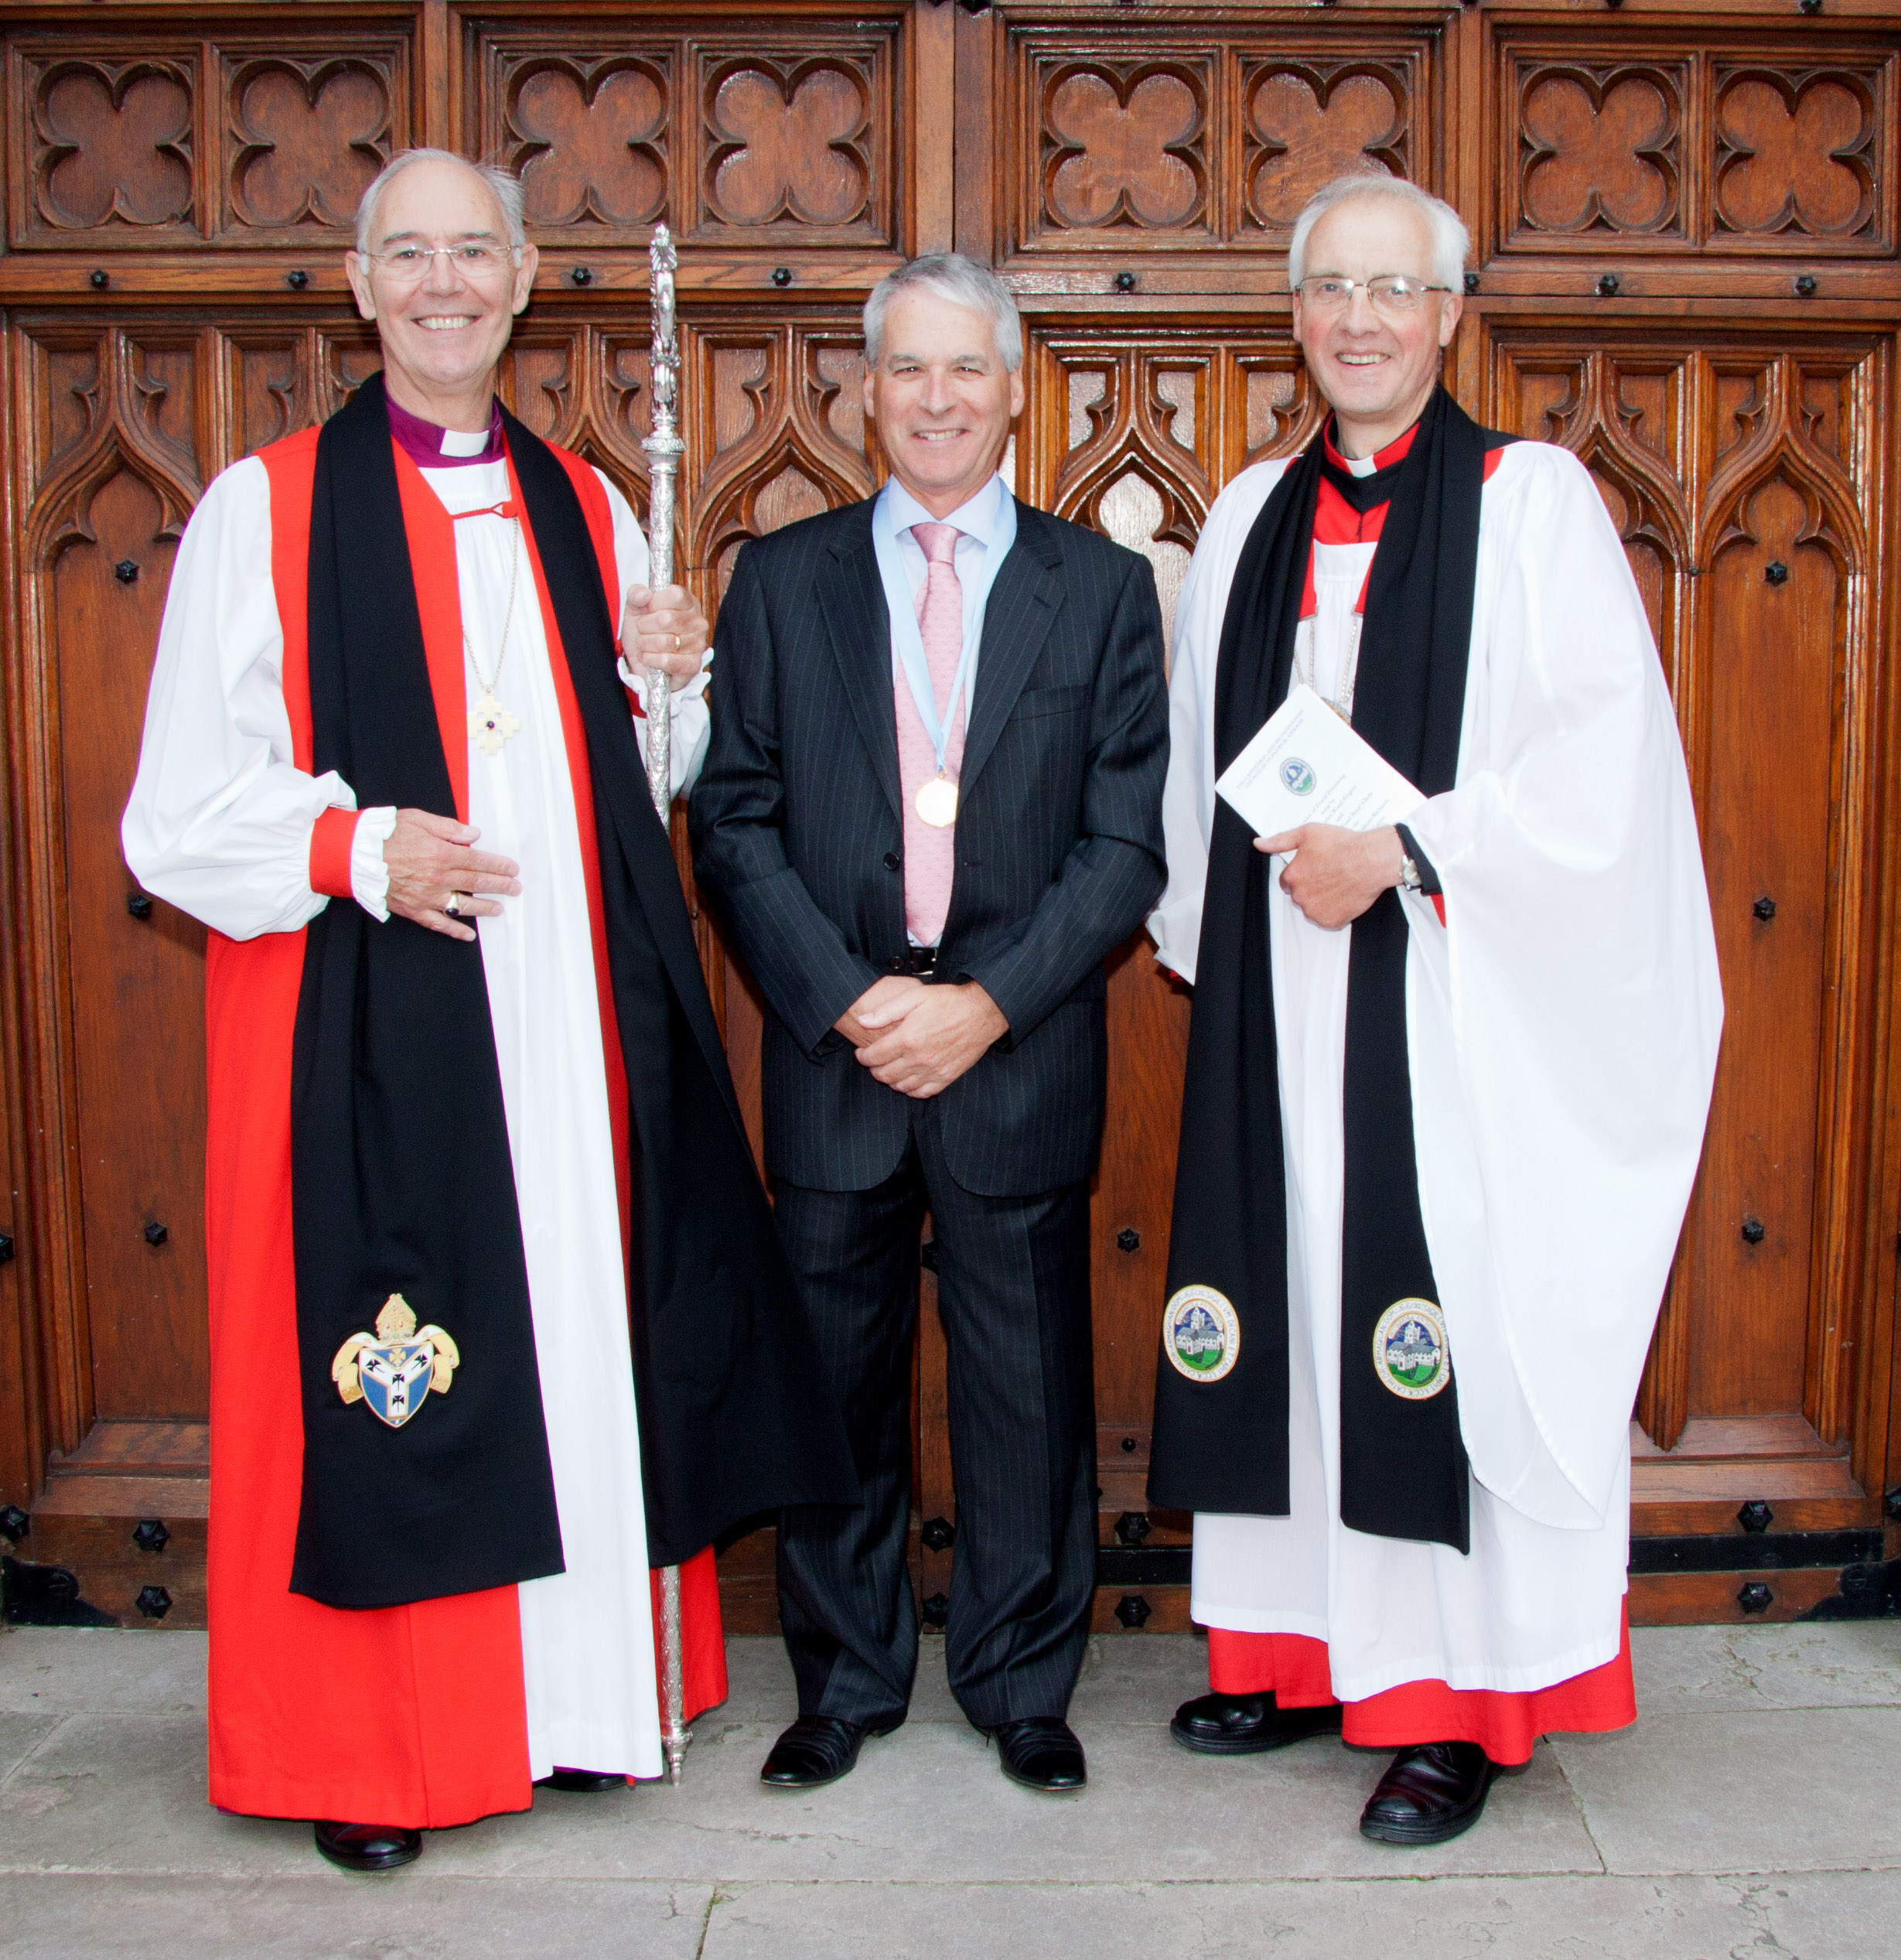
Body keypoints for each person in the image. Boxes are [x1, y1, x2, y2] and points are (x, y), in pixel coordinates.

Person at [121, 147, 854, 1873]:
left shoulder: (586, 507)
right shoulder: (267, 507)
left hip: (567, 1018)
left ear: (523, 280)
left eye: (475, 253)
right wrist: (360, 840)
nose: (444, 284)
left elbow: (637, 782)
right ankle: (380, 1748)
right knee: (406, 1342)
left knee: (582, 1332)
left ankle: (575, 1710)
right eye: (409, 256)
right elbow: (175, 810)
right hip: (365, 1017)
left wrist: (672, 685)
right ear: (361, 286)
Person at [1145, 173, 1722, 1844]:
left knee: (1430, 1304)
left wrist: (1400, 848)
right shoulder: (1250, 516)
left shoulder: (1529, 503)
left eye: (1393, 290)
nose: (1358, 319)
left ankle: (1455, 1698)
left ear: (1450, 315)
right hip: (1282, 991)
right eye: (1328, 287)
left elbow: (1600, 772)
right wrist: (1226, 907)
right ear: (1295, 312)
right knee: (1294, 1300)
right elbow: (1201, 757)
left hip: (1452, 997)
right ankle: (1297, 1645)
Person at [689, 254, 1168, 1795]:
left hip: (1012, 1054)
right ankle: (841, 1680)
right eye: (906, 368)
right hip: (837, 1051)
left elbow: (1123, 848)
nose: (937, 397)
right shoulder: (781, 577)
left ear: (1014, 387)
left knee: (1026, 1391)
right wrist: (846, 999)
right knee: (834, 1381)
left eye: (965, 369)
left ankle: (1024, 1682)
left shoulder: (1092, 587)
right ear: (865, 388)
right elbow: (735, 821)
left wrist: (983, 1004)